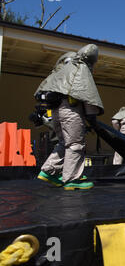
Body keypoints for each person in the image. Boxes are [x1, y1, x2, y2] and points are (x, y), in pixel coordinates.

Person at [35, 44, 104, 190]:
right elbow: (86, 94)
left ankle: (49, 171)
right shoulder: (80, 68)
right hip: (71, 110)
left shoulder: (60, 71)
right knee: (75, 144)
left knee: (63, 142)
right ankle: (72, 179)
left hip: (55, 111)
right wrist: (92, 118)